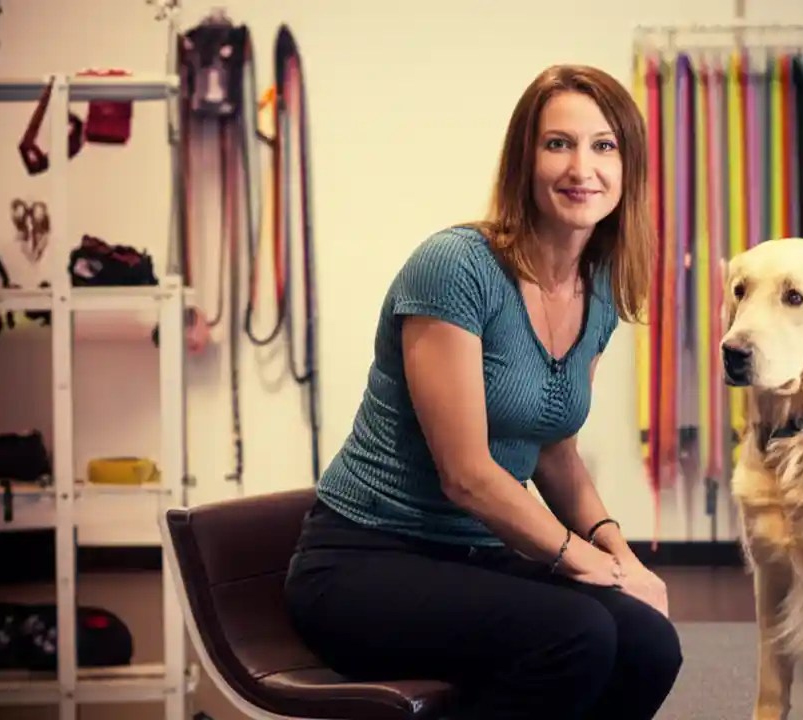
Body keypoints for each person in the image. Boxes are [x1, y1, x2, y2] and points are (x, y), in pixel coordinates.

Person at [283, 63, 682, 720]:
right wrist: (580, 560)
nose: (582, 167)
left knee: (649, 644)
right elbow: (467, 476)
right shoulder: (457, 268)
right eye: (558, 143)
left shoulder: (600, 287)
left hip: (478, 557)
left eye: (604, 145)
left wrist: (621, 557)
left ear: (628, 166)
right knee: (578, 636)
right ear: (525, 159)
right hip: (365, 561)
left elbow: (554, 451)